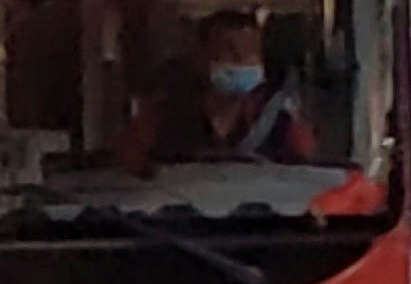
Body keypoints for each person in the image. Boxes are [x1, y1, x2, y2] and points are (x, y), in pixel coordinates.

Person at [126, 9, 316, 173]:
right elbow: (130, 168)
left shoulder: (280, 118)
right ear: (202, 56)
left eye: (251, 52)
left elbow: (308, 173)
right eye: (230, 50)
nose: (241, 60)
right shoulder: (166, 115)